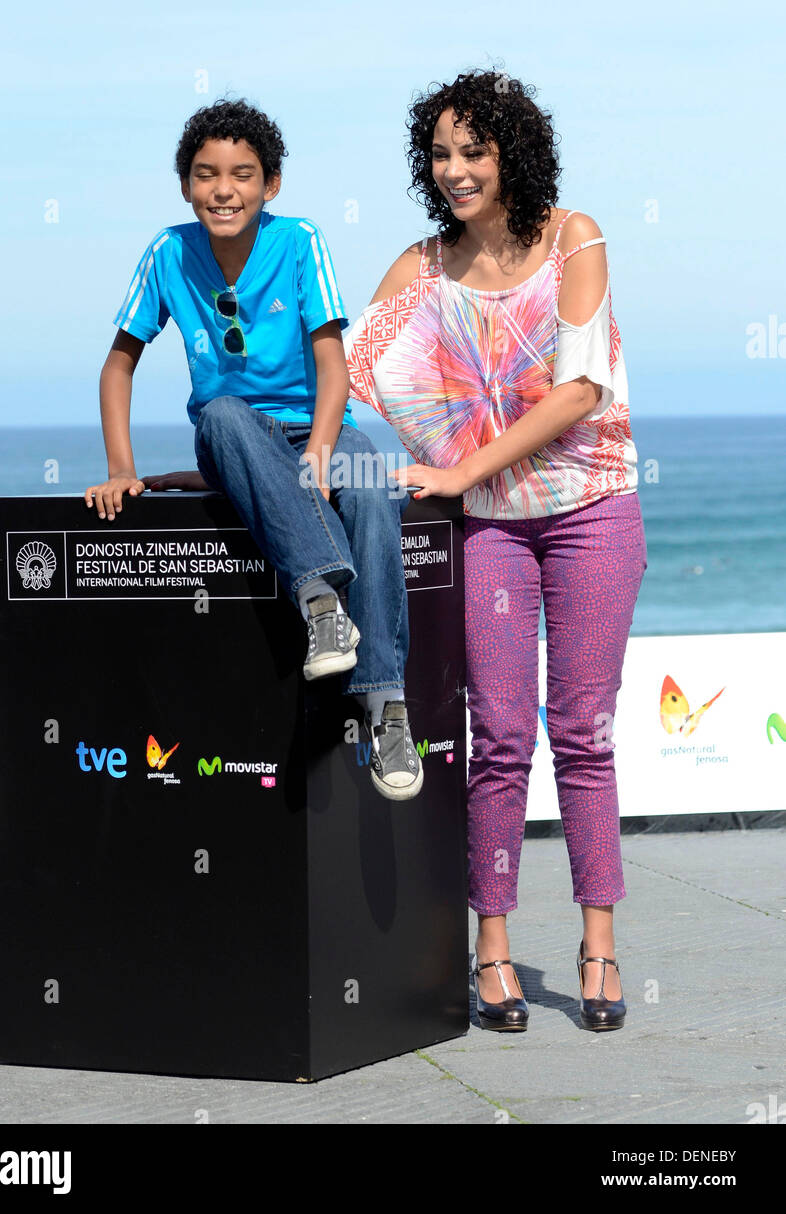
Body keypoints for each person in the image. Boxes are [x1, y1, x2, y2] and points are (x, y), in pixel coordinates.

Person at [345, 70, 646, 1025]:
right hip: (493, 535)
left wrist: (459, 469)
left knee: (584, 734)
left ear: (512, 151)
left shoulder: (575, 238)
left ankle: (599, 948)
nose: (456, 170)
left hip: (593, 511)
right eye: (440, 155)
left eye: (473, 151)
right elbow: (339, 376)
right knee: (501, 738)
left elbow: (578, 392)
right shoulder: (421, 268)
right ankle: (493, 951)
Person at [84, 98, 422, 801]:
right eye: (206, 175)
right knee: (224, 411)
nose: (223, 189)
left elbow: (335, 364)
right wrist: (122, 469)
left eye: (242, 174)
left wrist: (322, 450)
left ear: (270, 184)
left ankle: (385, 704)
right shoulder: (168, 252)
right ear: (186, 186)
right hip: (235, 437)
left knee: (371, 486)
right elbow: (118, 365)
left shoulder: (301, 241)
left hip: (318, 428)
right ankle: (321, 602)